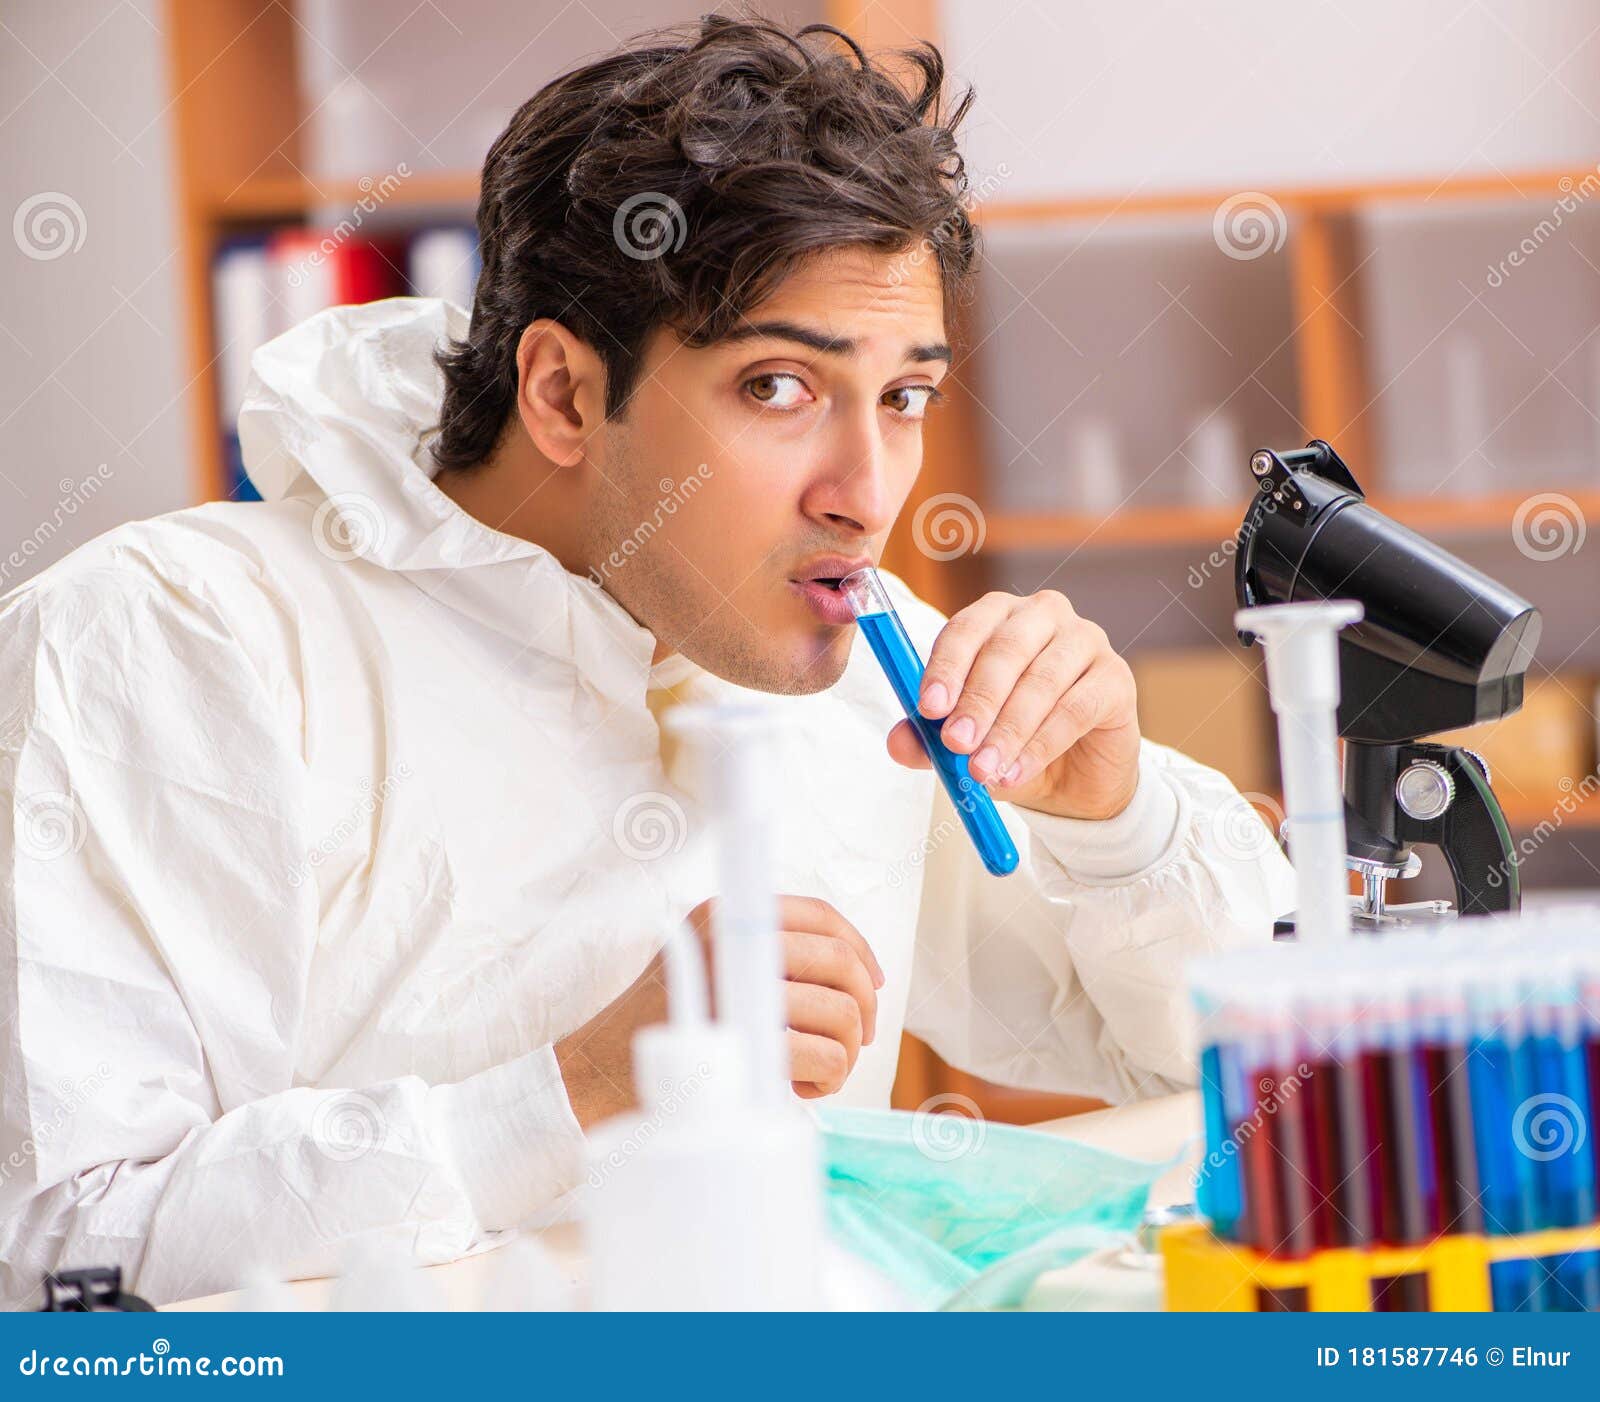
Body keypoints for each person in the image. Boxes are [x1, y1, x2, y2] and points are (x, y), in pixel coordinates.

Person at [0, 15, 1292, 1306]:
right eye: (779, 387)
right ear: (563, 394)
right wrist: (582, 1085)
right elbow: (59, 1259)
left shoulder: (860, 663)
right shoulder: (165, 639)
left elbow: (1253, 1075)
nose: (865, 495)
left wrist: (1116, 823)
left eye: (904, 397)